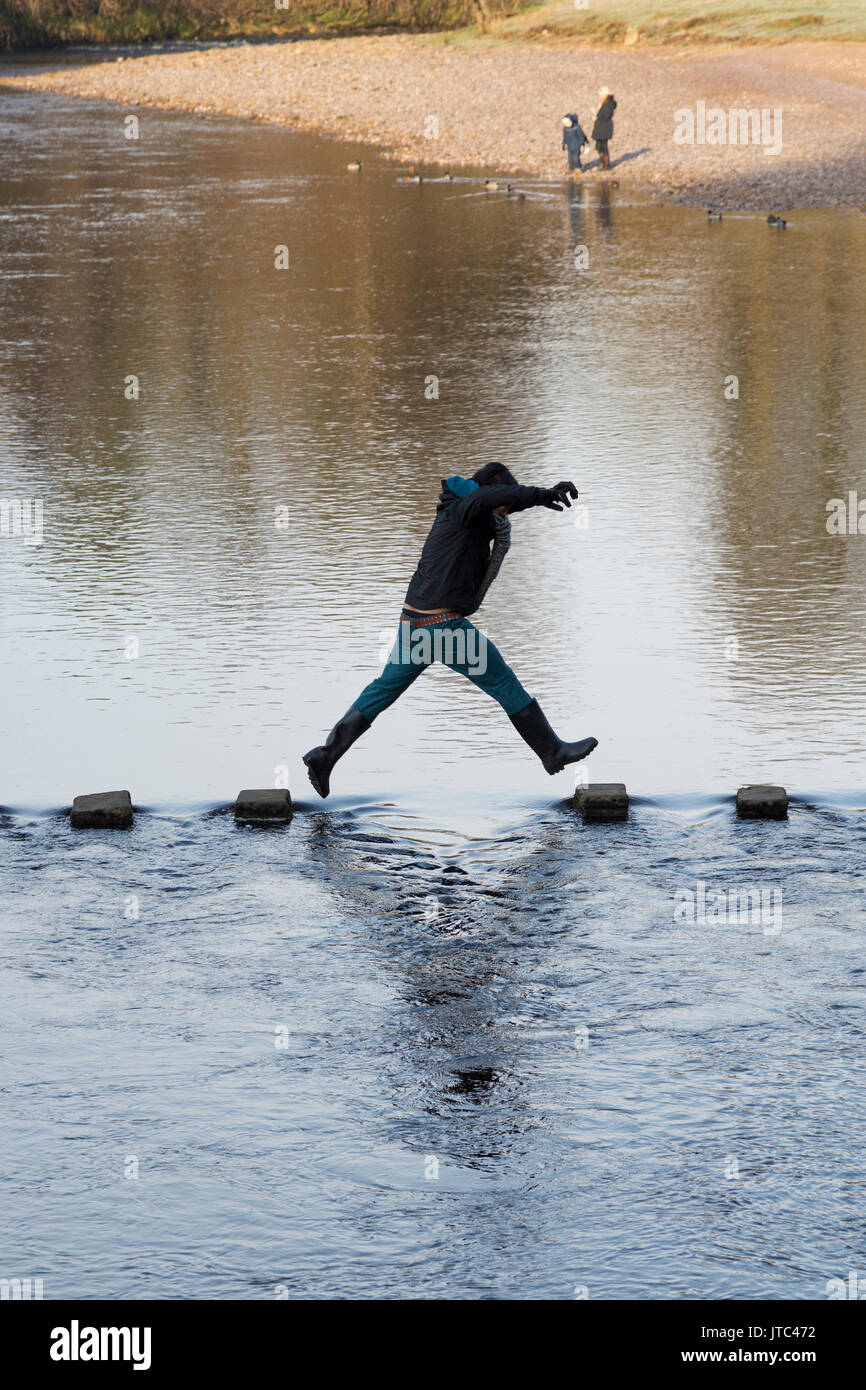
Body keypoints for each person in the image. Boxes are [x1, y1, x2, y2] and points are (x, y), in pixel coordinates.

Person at [303, 463, 598, 797]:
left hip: (413, 627)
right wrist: (543, 493)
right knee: (503, 683)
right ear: (487, 493)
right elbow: (493, 498)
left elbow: (501, 504)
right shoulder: (468, 506)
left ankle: (325, 756)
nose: (503, 514)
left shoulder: (457, 513)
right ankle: (552, 751)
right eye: (501, 508)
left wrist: (529, 504)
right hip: (445, 630)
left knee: (381, 692)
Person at [592, 86, 617, 171]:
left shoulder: (608, 104)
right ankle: (605, 164)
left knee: (602, 146)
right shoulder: (606, 103)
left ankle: (606, 165)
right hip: (601, 127)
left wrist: (596, 116)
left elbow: (605, 116)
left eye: (601, 95)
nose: (600, 97)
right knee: (599, 146)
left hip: (604, 127)